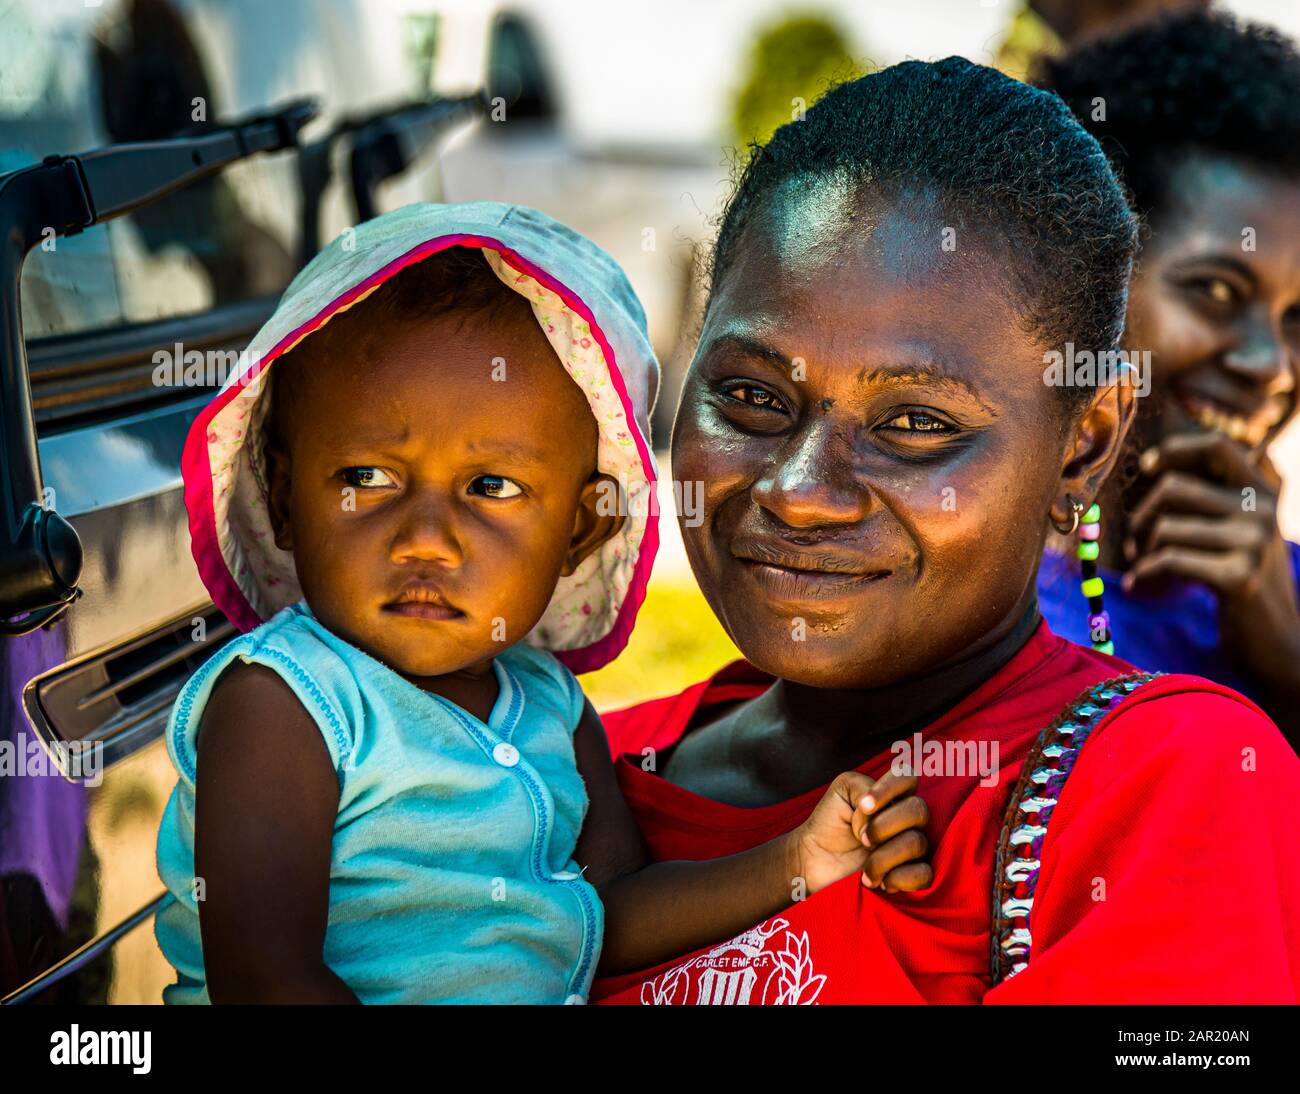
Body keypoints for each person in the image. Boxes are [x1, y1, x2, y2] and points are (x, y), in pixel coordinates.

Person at [588, 58, 1300, 1005]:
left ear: (1083, 450)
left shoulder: (1168, 789)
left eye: (917, 425)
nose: (801, 492)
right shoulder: (557, 779)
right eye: (752, 397)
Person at [153, 202, 931, 1004]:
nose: (427, 539)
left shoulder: (549, 708)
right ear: (284, 502)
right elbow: (263, 977)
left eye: (491, 488)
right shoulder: (286, 702)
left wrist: (796, 863)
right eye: (366, 479)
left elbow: (605, 918)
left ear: (579, 531)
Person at [1037, 11, 1300, 747]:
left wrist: (1284, 662)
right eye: (1217, 291)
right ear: (1083, 279)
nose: (1272, 366)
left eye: (1297, 319)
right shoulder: (964, 608)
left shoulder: (1289, 598)